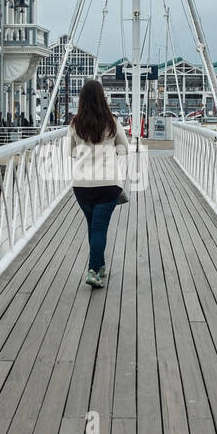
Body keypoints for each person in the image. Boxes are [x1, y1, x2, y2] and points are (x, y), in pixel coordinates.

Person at [66, 80, 129, 288]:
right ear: (103, 97)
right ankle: (93, 271)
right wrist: (110, 152)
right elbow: (124, 148)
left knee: (93, 227)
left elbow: (72, 152)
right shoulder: (112, 121)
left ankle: (100, 266)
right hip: (108, 184)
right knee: (100, 228)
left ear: (82, 99)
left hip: (82, 185)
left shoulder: (75, 123)